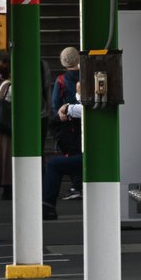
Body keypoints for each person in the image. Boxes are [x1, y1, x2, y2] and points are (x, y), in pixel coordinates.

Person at [42, 85, 83, 220]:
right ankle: (47, 206)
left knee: (54, 164)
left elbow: (84, 109)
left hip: (94, 157)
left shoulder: (87, 107)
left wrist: (66, 107)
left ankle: (47, 206)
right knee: (56, 164)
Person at [51, 46, 83, 200]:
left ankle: (76, 186)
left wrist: (62, 112)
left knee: (71, 154)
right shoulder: (86, 75)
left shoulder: (61, 80)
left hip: (68, 124)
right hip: (85, 122)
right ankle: (81, 184)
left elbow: (55, 104)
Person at [0, 59, 13, 200]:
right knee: (9, 156)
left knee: (3, 156)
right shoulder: (11, 86)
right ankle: (9, 186)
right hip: (9, 125)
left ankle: (6, 186)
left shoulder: (2, 85)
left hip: (3, 126)